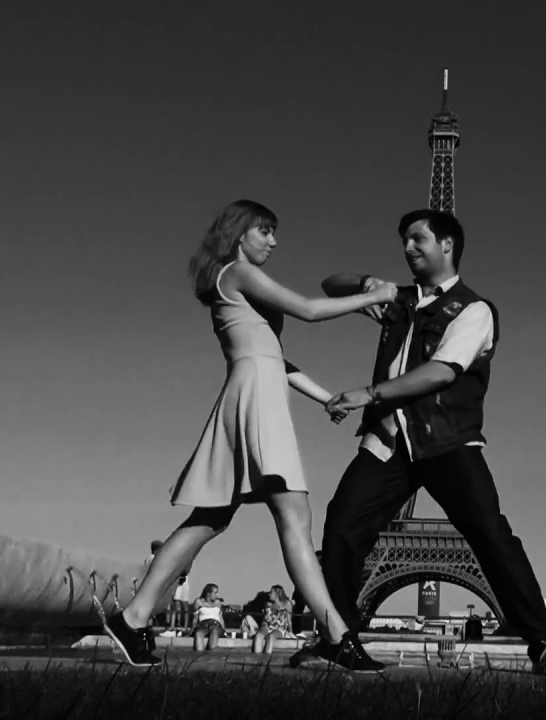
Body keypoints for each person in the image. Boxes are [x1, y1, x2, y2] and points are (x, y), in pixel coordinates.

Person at [96, 199, 396, 670]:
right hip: (257, 397)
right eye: (265, 231)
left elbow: (276, 358)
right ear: (239, 233)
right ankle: (337, 636)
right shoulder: (237, 272)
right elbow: (308, 309)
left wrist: (326, 398)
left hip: (254, 391)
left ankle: (132, 618)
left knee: (211, 517)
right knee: (293, 514)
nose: (273, 242)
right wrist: (374, 297)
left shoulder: (233, 280)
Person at [291, 209, 546, 676]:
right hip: (389, 441)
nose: (407, 248)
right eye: (404, 240)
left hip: (447, 441)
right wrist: (371, 287)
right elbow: (330, 283)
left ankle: (545, 643)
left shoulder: (474, 310)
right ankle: (337, 638)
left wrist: (370, 393)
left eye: (417, 239)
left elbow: (442, 372)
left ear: (447, 245)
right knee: (342, 526)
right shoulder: (400, 300)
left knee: (490, 535)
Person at [251, 584, 296, 655]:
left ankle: (266, 657)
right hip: (266, 626)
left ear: (276, 594)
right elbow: (265, 617)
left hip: (279, 628)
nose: (269, 594)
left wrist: (291, 633)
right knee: (258, 635)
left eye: (271, 592)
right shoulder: (268, 604)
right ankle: (257, 658)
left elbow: (289, 620)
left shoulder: (287, 604)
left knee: (271, 636)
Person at [192, 583, 225, 651]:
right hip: (202, 624)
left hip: (215, 624)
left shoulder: (218, 603)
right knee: (198, 633)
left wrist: (224, 630)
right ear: (208, 593)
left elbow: (220, 618)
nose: (217, 595)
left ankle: (213, 651)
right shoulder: (198, 602)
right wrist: (191, 630)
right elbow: (195, 618)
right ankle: (199, 654)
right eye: (215, 593)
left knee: (214, 633)